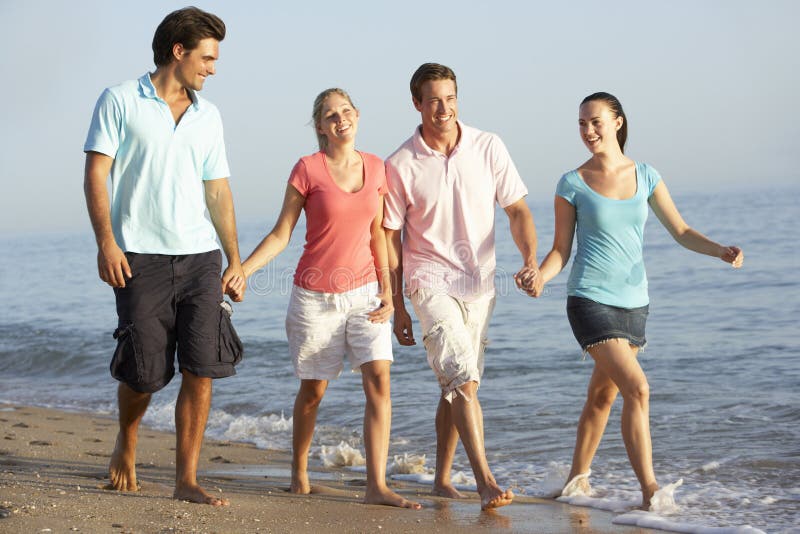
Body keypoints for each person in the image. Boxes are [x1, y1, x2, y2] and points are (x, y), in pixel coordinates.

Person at [533, 92, 744, 509]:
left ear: (618, 122)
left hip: (634, 305)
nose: (587, 131)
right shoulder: (571, 182)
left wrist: (720, 249)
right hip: (589, 299)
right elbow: (561, 250)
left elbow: (681, 231)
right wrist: (540, 275)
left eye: (595, 122)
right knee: (638, 389)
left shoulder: (645, 175)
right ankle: (650, 490)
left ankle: (575, 482)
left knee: (603, 396)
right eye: (581, 124)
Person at [82, 7, 244, 506]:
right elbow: (96, 175)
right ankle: (127, 438)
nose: (213, 68)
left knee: (202, 367)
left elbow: (217, 191)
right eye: (207, 57)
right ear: (179, 51)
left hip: (200, 258)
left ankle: (186, 480)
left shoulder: (208, 115)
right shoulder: (119, 100)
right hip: (140, 256)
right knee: (145, 373)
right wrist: (106, 243)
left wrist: (233, 259)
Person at [231, 88, 420, 509]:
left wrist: (391, 296)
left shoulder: (376, 168)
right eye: (331, 115)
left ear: (357, 116)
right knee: (314, 390)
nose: (340, 119)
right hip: (314, 298)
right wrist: (243, 269)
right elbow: (282, 233)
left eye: (346, 111)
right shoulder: (307, 169)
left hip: (366, 295)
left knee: (380, 381)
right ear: (321, 126)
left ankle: (376, 485)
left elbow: (378, 236)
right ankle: (299, 471)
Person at [383, 63, 541, 510]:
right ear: (416, 103)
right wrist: (397, 304)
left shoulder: (489, 146)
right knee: (463, 379)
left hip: (480, 286)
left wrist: (531, 260)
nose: (443, 108)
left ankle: (440, 478)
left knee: (456, 384)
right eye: (433, 99)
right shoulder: (400, 164)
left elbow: (518, 212)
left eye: (450, 98)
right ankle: (485, 479)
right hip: (428, 282)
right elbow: (390, 238)